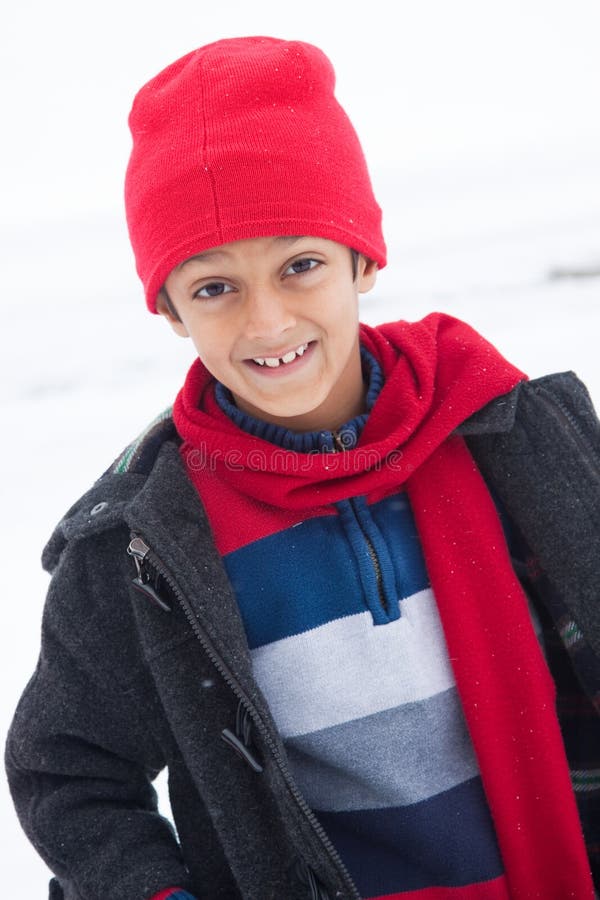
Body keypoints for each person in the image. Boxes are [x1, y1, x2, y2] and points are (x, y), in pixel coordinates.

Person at [5, 35, 600, 900]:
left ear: (362, 257)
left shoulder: (516, 436)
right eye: (215, 288)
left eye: (302, 265)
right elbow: (70, 772)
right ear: (170, 308)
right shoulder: (141, 544)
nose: (269, 320)